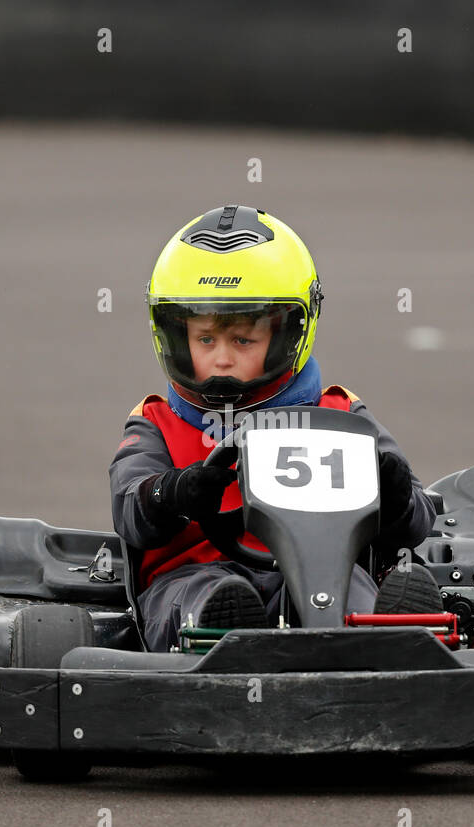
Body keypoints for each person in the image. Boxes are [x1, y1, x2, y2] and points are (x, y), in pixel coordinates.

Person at [109, 204, 441, 652]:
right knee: (205, 592)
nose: (222, 358)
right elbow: (130, 510)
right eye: (206, 339)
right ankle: (224, 635)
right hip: (193, 578)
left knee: (349, 586)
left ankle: (391, 632)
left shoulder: (339, 413)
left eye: (243, 340)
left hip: (315, 577)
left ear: (289, 332)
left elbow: (419, 520)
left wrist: (395, 498)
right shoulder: (157, 423)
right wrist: (176, 492)